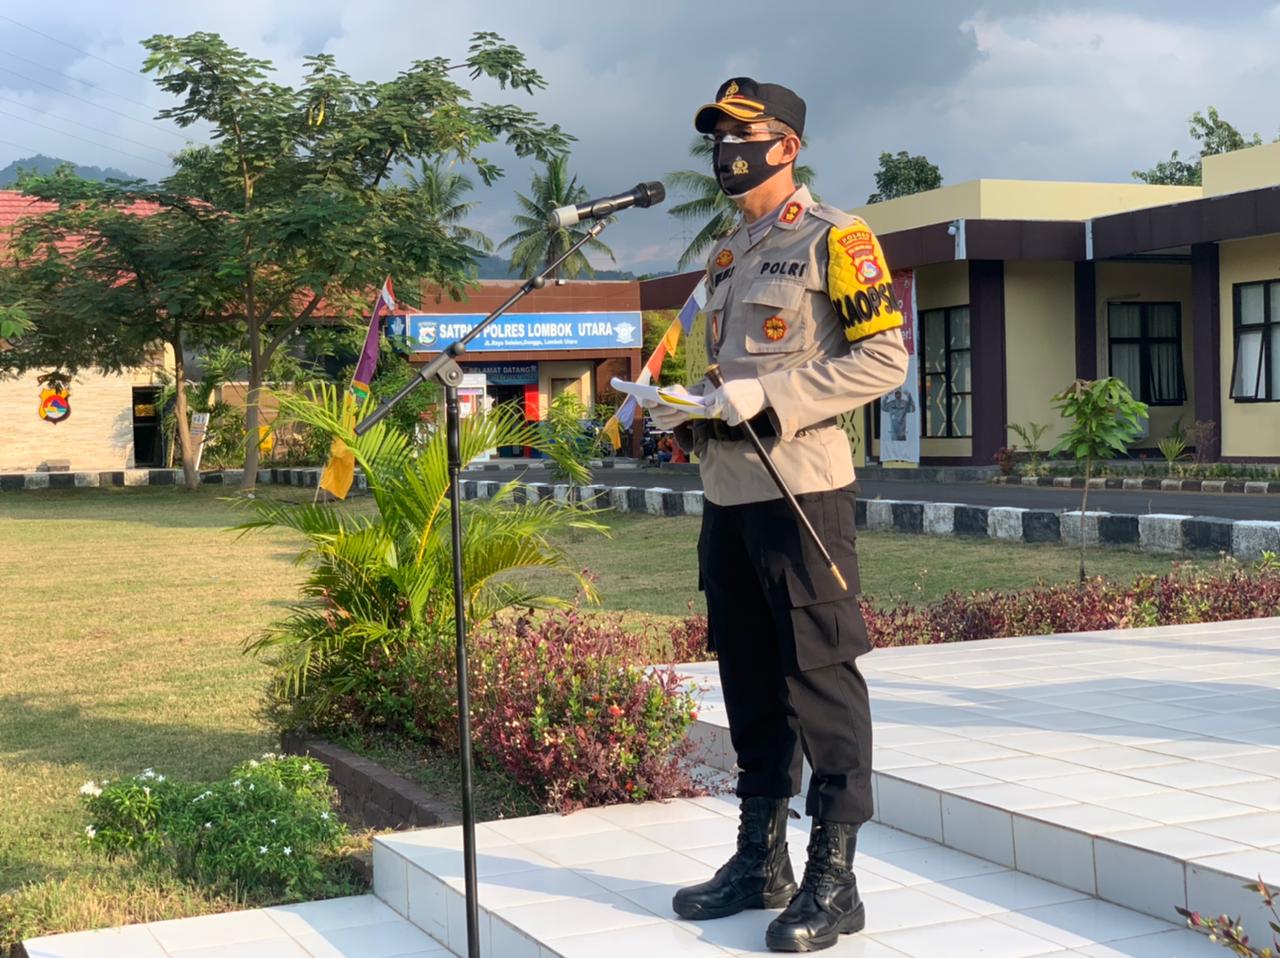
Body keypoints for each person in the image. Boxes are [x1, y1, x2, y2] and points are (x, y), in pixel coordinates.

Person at [644, 77, 908, 953]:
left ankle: (836, 877)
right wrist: (683, 409)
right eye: (717, 134)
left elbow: (885, 363)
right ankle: (762, 859)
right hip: (728, 495)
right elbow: (731, 386)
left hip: (803, 492)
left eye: (742, 133)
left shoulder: (838, 239)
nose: (726, 149)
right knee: (750, 679)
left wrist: (769, 395)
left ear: (786, 145)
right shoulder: (726, 257)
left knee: (821, 678)